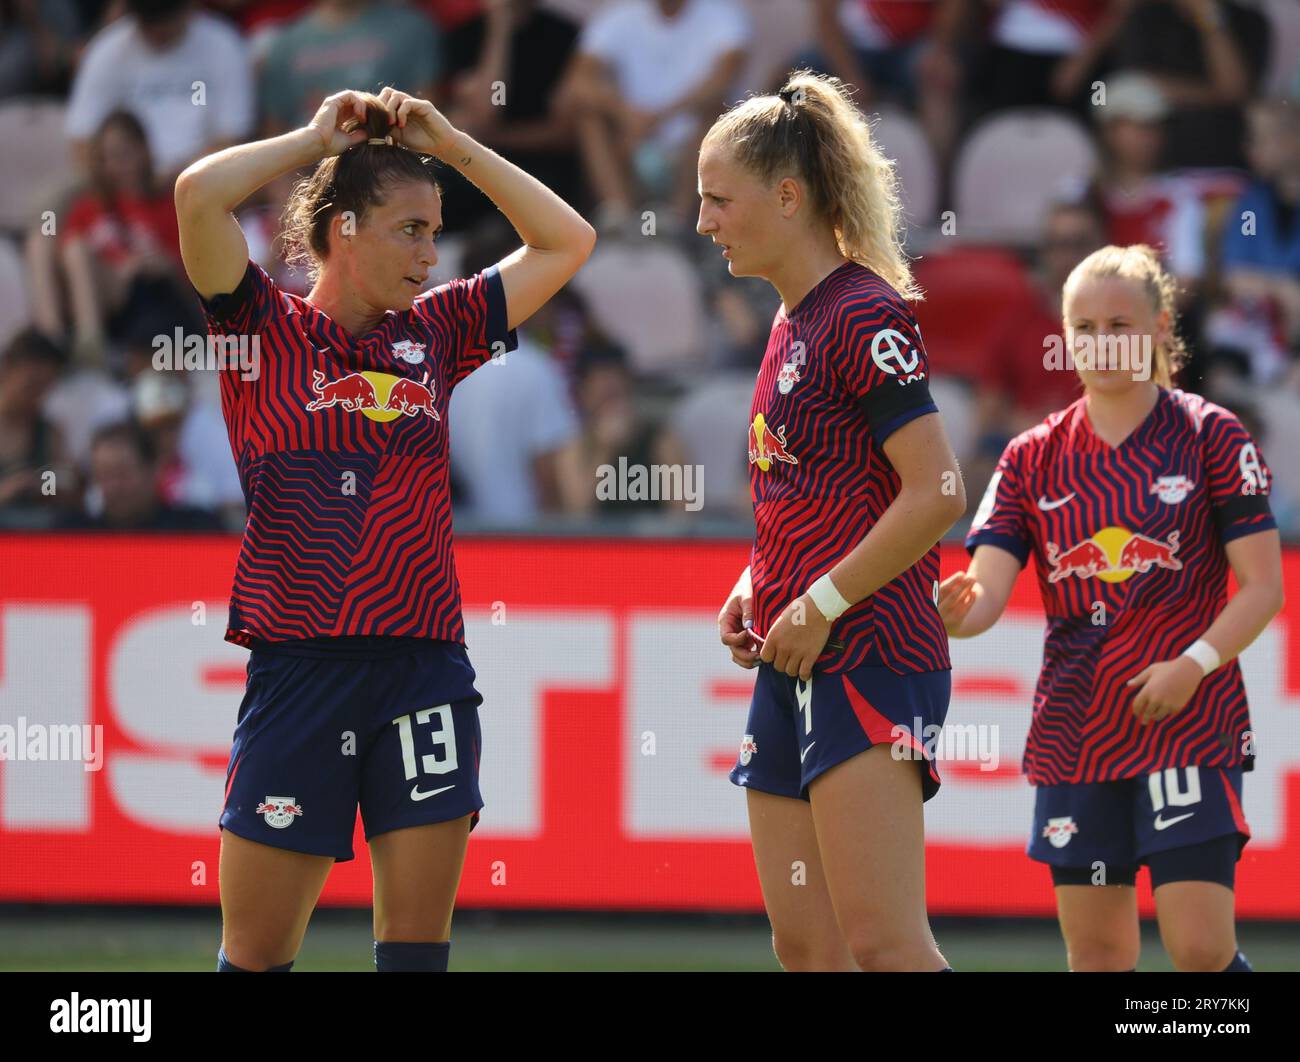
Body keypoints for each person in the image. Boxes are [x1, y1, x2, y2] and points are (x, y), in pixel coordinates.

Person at [174, 87, 595, 972]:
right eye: (410, 229)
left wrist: (454, 145)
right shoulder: (258, 327)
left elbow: (568, 241)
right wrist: (311, 138)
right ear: (343, 230)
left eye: (437, 232)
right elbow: (196, 197)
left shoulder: (436, 333)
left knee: (414, 958)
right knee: (253, 957)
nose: (430, 255)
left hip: (422, 668)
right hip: (299, 668)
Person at [946, 244, 1282, 972]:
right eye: (1084, 327)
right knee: (1098, 955)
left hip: (1189, 723)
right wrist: (953, 609)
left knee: (1199, 952)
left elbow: (1262, 587)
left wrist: (1192, 665)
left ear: (1161, 327)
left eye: (1119, 323)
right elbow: (985, 595)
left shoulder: (1211, 435)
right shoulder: (1030, 456)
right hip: (1078, 731)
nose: (1101, 344)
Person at [700, 71, 967, 971]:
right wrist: (754, 588)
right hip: (794, 653)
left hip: (870, 650)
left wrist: (817, 603)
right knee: (807, 948)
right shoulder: (789, 320)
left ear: (787, 195)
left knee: (887, 944)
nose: (703, 223)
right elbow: (808, 495)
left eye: (717, 199)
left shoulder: (862, 311)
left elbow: (936, 492)